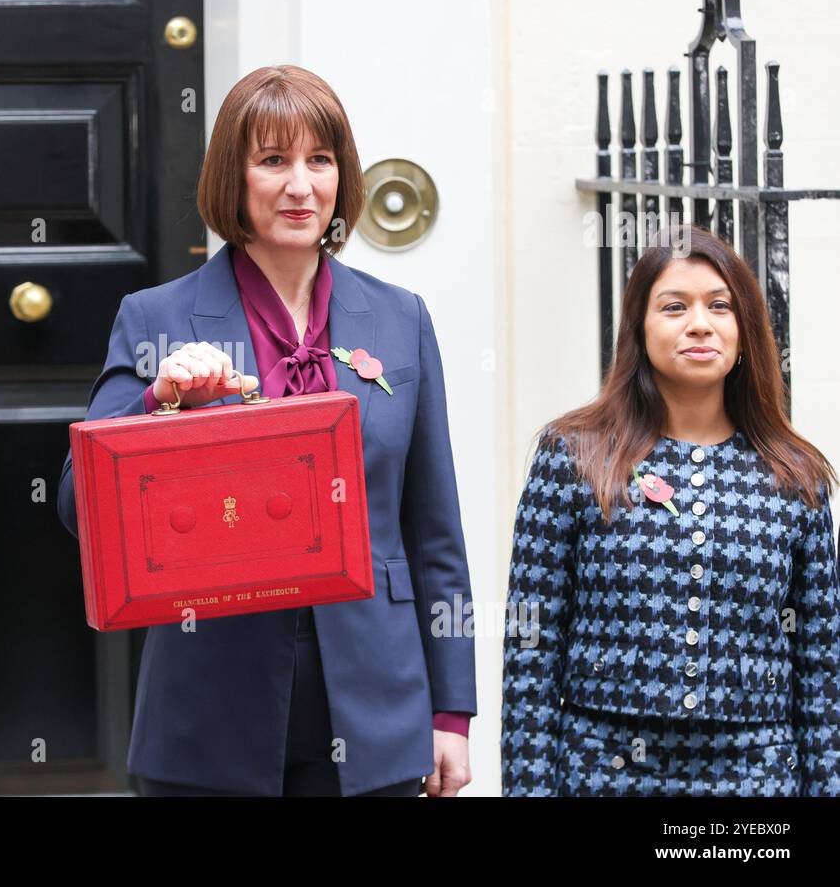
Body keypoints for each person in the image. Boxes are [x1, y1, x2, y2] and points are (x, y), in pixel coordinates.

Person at [56, 65, 476, 796]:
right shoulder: (157, 318)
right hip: (207, 711)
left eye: (320, 160)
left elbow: (433, 531)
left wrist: (451, 710)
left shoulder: (401, 318)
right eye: (274, 160)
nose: (300, 185)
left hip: (377, 709)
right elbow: (77, 506)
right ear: (234, 177)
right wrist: (161, 398)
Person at [501, 225, 840, 796]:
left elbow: (822, 664)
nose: (700, 324)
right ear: (639, 327)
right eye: (674, 307)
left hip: (755, 783)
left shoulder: (794, 473)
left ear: (745, 333)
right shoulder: (574, 454)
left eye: (719, 306)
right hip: (601, 772)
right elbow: (531, 645)